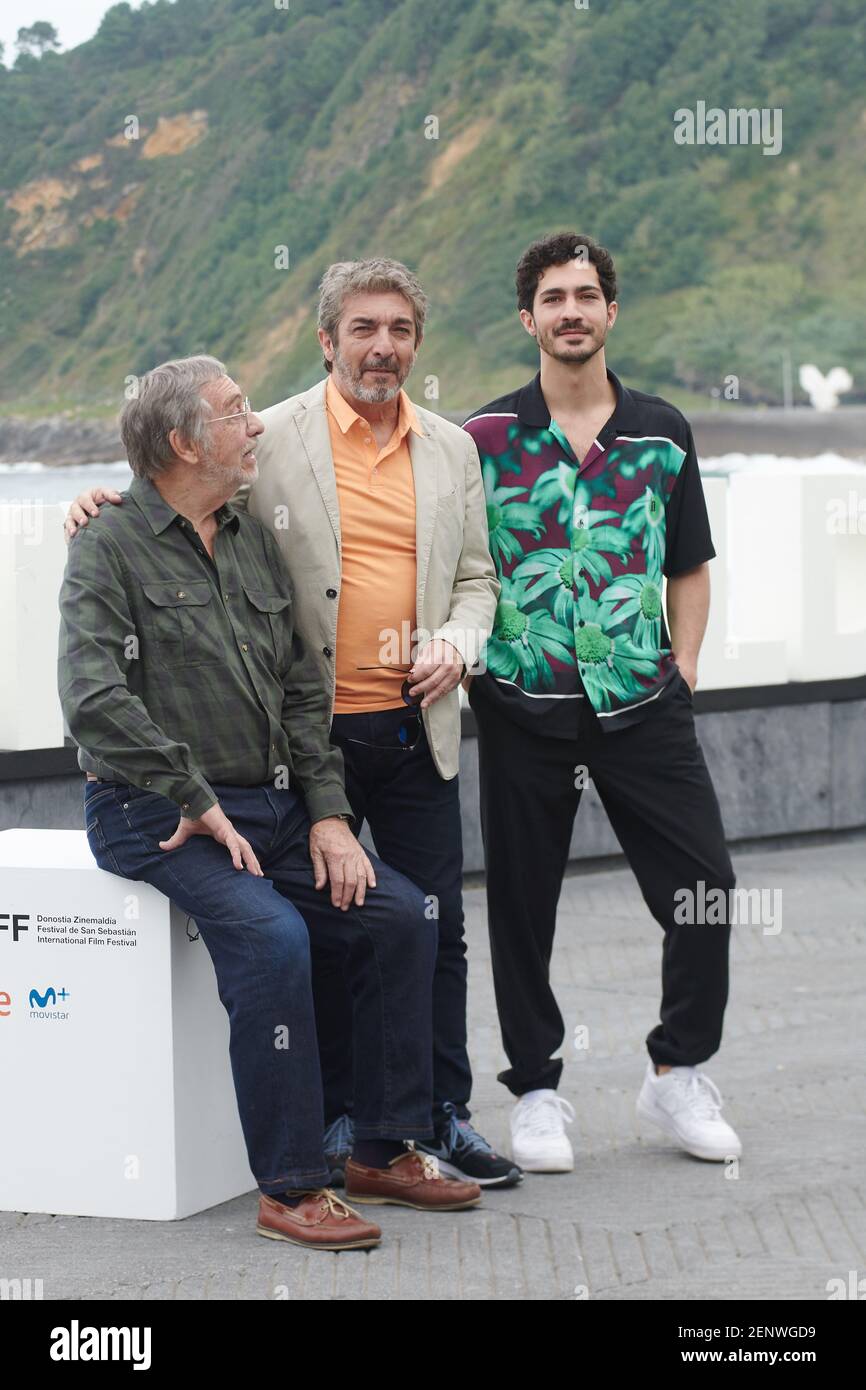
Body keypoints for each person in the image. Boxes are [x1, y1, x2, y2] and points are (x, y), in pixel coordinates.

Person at [64, 260, 517, 1189]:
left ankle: (421, 1125)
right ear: (328, 339)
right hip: (240, 774)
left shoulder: (439, 453)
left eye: (399, 329)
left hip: (388, 738)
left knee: (420, 920)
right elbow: (171, 504)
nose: (383, 346)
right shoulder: (257, 446)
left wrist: (455, 648)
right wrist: (99, 502)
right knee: (304, 934)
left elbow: (472, 582)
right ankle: (321, 1151)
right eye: (363, 328)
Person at [462, 232, 742, 1172]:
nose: (571, 311)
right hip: (522, 703)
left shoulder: (664, 433)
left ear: (611, 312)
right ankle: (536, 1092)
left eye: (587, 295)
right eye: (553, 297)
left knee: (705, 891)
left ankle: (676, 1073)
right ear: (528, 318)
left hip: (642, 702)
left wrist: (686, 665)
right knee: (523, 905)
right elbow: (447, 563)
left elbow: (690, 564)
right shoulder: (482, 439)